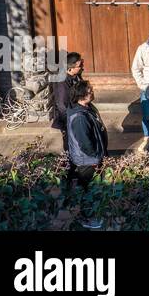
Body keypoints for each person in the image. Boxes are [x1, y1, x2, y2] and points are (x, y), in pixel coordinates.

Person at [65, 78, 108, 230]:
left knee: (92, 188)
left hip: (92, 158)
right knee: (88, 190)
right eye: (90, 91)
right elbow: (85, 143)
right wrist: (96, 157)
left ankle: (95, 212)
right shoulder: (80, 118)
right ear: (82, 95)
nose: (92, 92)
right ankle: (88, 217)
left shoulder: (87, 108)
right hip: (87, 161)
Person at [50, 51, 85, 145]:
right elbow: (62, 105)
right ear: (70, 68)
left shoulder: (75, 75)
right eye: (80, 65)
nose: (82, 67)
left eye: (82, 63)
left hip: (77, 112)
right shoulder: (62, 82)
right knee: (71, 143)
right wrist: (72, 119)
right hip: (68, 117)